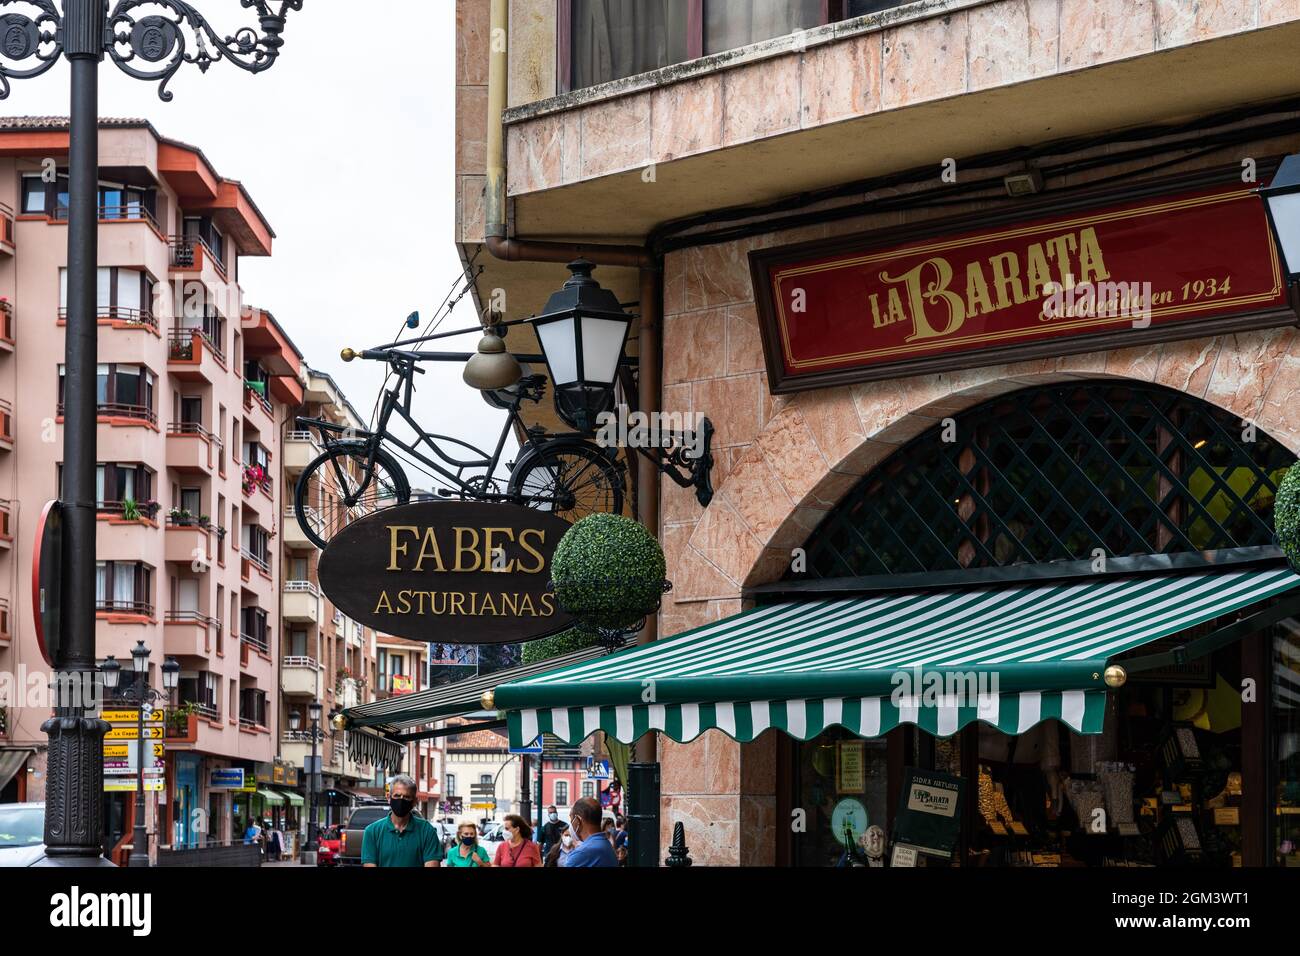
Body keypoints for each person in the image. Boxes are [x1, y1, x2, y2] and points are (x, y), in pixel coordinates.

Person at [361, 775, 444, 868]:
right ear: (389, 798)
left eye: (407, 797)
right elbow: (369, 864)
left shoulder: (427, 831)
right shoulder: (372, 832)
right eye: (397, 795)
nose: (401, 800)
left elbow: (432, 864)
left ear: (414, 801)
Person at [560, 797, 617, 867]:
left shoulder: (582, 852)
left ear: (578, 820)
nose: (570, 824)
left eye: (571, 819)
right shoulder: (606, 844)